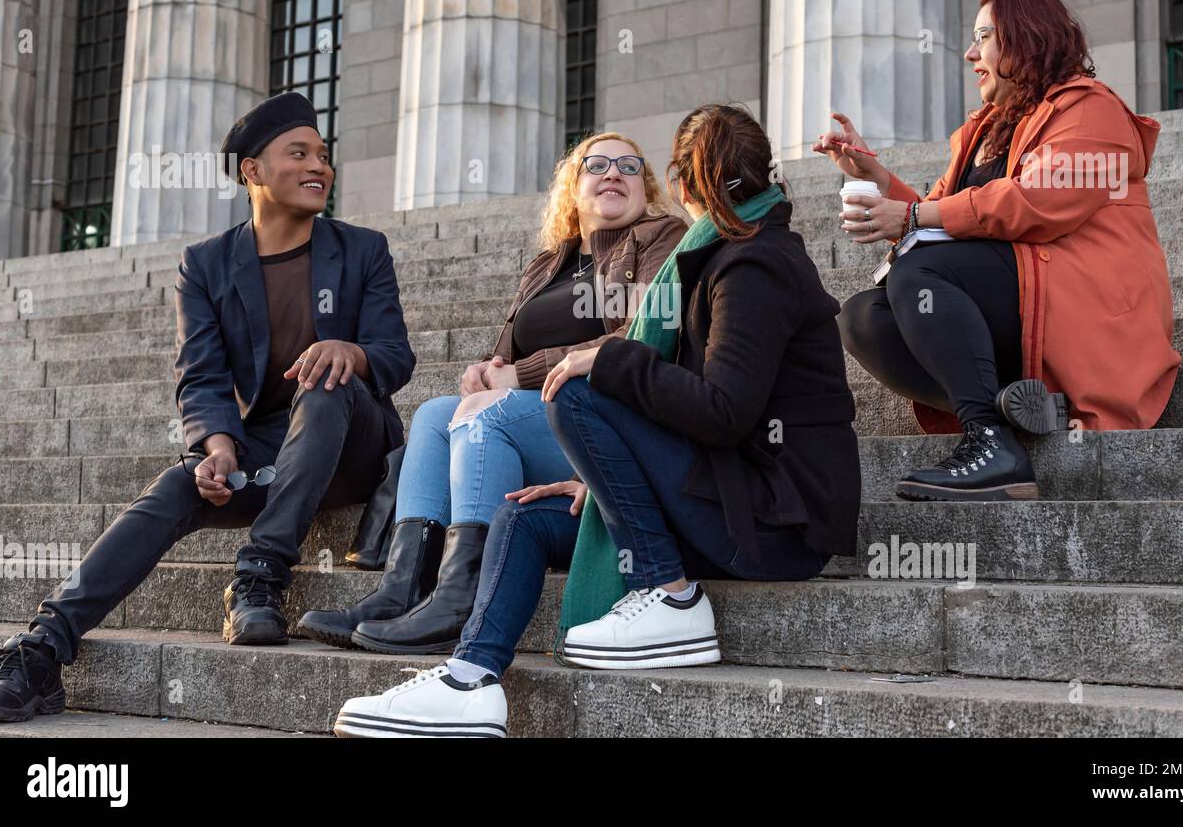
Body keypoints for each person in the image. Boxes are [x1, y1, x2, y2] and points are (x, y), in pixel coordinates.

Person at [330, 103, 860, 738]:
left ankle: (672, 594)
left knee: (576, 392)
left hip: (774, 520)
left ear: (683, 185)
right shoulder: (719, 256)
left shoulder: (755, 264)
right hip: (725, 492)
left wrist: (608, 360)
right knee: (523, 517)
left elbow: (723, 411)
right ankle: (469, 681)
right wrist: (600, 479)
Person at [0, 92, 416, 723]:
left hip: (354, 445)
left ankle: (260, 576)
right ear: (253, 171)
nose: (319, 165)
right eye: (299, 153)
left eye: (323, 154)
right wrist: (216, 446)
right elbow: (202, 375)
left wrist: (352, 351)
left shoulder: (363, 248)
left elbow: (396, 356)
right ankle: (41, 651)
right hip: (268, 449)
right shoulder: (206, 264)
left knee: (326, 377)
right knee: (179, 485)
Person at [297, 132, 686, 656]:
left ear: (647, 188)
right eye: (597, 164)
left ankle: (462, 600)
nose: (613, 172)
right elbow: (505, 356)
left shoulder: (661, 236)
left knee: (487, 418)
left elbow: (640, 336)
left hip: (603, 424)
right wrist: (486, 372)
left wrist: (518, 377)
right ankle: (401, 590)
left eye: (628, 165)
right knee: (437, 414)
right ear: (574, 188)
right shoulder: (551, 262)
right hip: (533, 421)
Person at [827, 0, 1179, 501]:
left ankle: (991, 444)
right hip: (1016, 309)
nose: (970, 54)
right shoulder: (982, 131)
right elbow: (937, 216)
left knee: (922, 271)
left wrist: (913, 215)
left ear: (1025, 39)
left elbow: (1037, 200)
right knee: (860, 318)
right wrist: (878, 178)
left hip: (1082, 314)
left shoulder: (1091, 110)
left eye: (983, 37)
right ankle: (1013, 409)